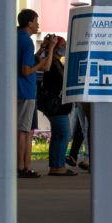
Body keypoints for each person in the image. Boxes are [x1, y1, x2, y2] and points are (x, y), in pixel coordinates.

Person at [17, 9, 53, 178]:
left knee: (24, 129)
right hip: (26, 90)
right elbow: (26, 70)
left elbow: (26, 60)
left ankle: (23, 166)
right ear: (30, 23)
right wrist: (42, 63)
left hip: (18, 90)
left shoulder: (17, 38)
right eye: (36, 20)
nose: (38, 24)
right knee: (24, 130)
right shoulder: (26, 41)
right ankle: (22, 167)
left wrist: (41, 51)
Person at [39, 36, 76, 177]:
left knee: (57, 135)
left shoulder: (55, 62)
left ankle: (55, 166)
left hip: (55, 105)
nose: (65, 48)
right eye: (63, 45)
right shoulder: (51, 62)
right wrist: (50, 47)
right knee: (65, 134)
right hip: (56, 105)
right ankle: (59, 166)